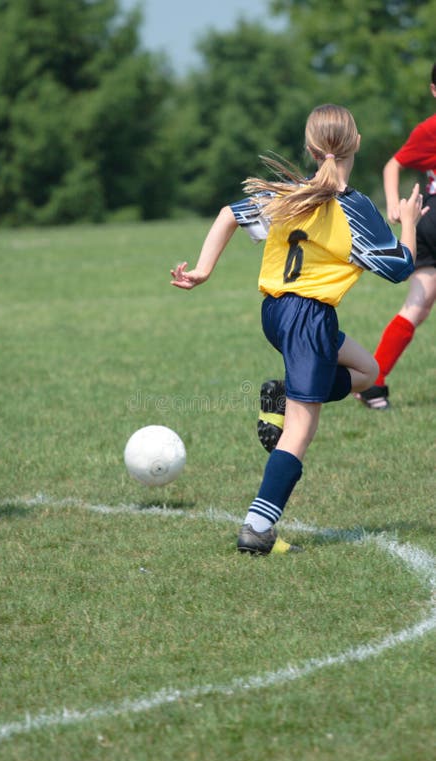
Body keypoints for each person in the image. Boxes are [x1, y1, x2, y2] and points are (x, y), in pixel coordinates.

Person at [170, 104, 424, 555]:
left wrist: (204, 270)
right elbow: (402, 268)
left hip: (276, 313)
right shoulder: (355, 208)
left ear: (310, 148)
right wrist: (408, 224)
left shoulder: (288, 193)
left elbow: (230, 213)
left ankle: (284, 396)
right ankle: (257, 527)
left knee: (367, 371)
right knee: (300, 430)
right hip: (309, 319)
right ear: (357, 143)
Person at [355, 62, 436, 409]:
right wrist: (392, 204)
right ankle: (372, 382)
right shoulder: (431, 129)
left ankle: (373, 384)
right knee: (417, 305)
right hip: (431, 223)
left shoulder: (429, 128)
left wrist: (394, 204)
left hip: (429, 221)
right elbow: (394, 164)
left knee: (417, 305)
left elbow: (392, 164)